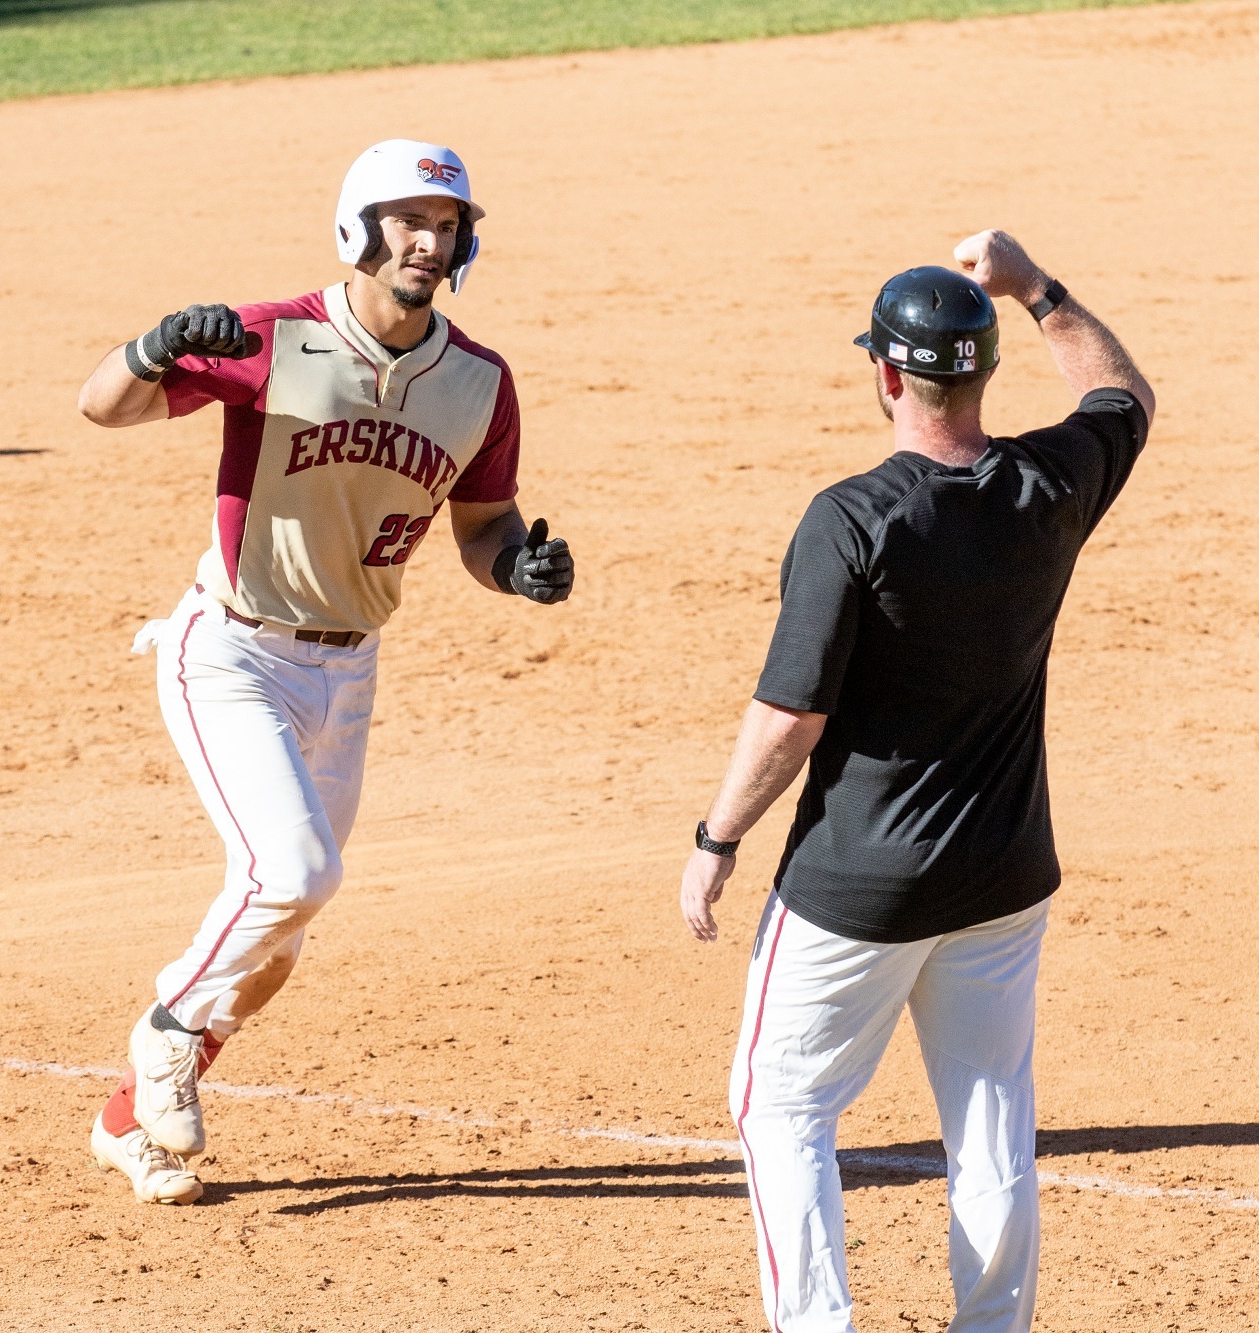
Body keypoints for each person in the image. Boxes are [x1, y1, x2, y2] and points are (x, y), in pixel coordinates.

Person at [76, 139, 574, 1205]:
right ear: (357, 229)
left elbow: (484, 529)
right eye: (404, 221)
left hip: (349, 673)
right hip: (234, 653)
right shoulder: (274, 338)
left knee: (279, 942)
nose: (424, 242)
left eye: (443, 226)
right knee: (293, 874)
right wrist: (155, 345)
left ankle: (127, 1120)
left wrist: (517, 568)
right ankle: (165, 1034)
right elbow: (101, 406)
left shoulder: (478, 383)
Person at [679, 229, 1155, 1332]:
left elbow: (790, 719)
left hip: (859, 889)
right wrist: (1036, 289)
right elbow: (1119, 397)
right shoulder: (1047, 484)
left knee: (780, 1107)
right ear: (980, 373)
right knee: (989, 1117)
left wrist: (715, 839)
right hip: (1002, 874)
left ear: (886, 374)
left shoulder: (851, 518)